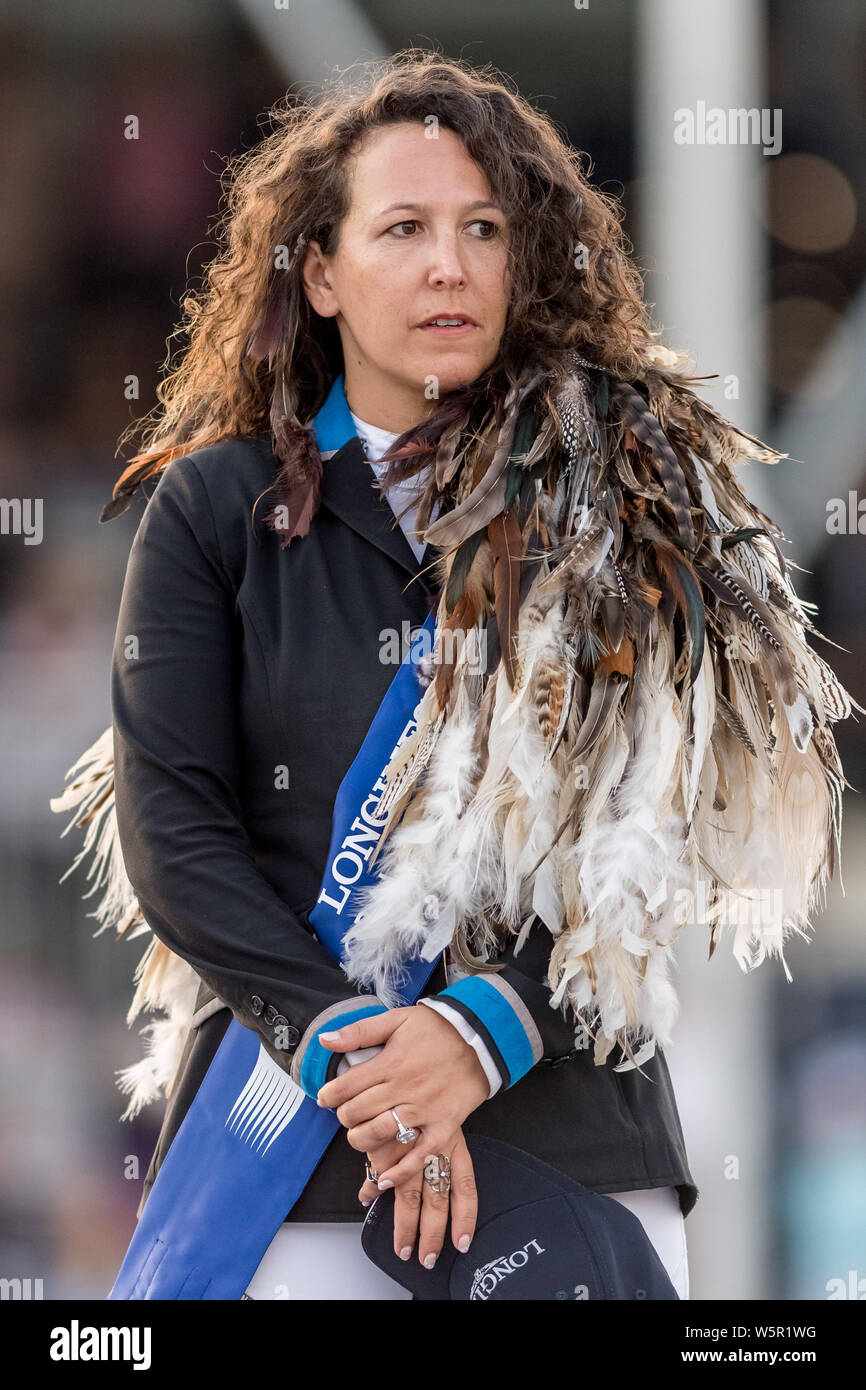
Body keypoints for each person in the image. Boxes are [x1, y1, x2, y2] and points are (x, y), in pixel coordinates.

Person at [60, 50, 853, 1302]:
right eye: (405, 228)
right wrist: (362, 1063)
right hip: (296, 1174)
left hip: (577, 1155)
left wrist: (481, 1035)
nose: (449, 264)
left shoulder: (630, 491)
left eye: (483, 228)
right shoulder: (215, 504)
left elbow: (656, 826)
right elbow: (175, 833)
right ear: (316, 272)